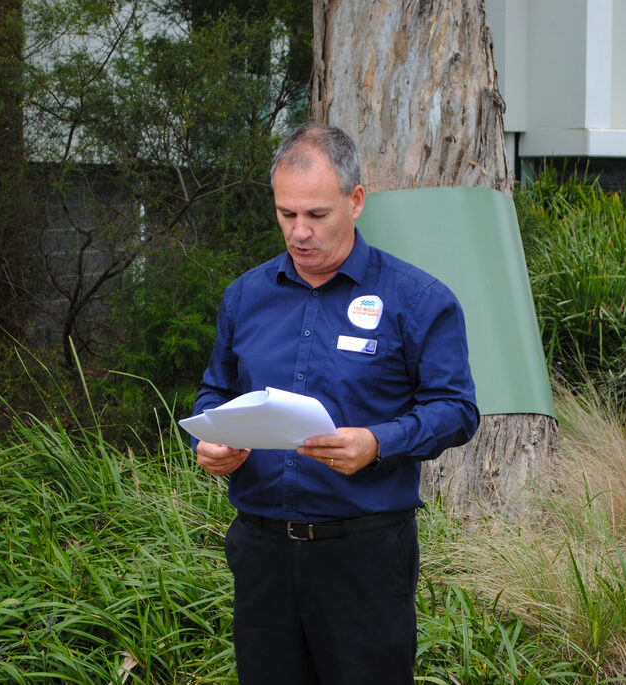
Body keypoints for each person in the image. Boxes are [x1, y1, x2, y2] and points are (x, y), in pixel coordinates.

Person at [192, 123, 479, 684]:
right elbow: (215, 389)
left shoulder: (418, 300)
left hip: (364, 555)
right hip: (262, 550)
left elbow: (457, 410)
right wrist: (212, 439)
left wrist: (378, 443)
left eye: (316, 215)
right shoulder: (245, 296)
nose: (299, 232)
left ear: (355, 201)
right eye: (286, 214)